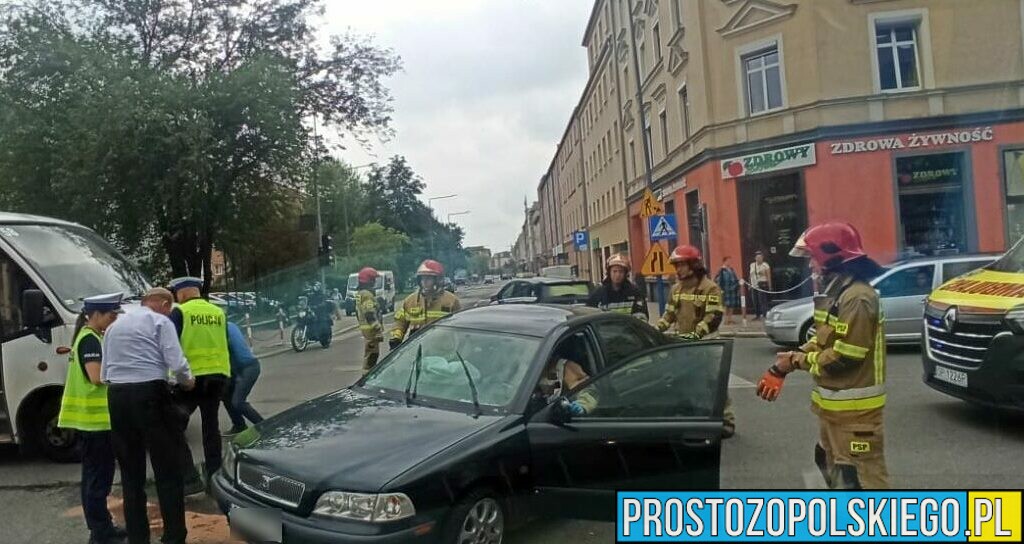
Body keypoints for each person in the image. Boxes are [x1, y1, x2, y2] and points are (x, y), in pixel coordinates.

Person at [756, 222, 889, 489]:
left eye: (813, 258)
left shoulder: (858, 298)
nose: (810, 266)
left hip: (856, 415)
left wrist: (795, 361)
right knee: (833, 468)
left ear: (831, 257)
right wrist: (788, 361)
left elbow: (845, 356)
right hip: (835, 412)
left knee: (861, 482)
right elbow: (822, 338)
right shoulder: (839, 293)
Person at [102, 288, 194, 544]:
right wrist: (188, 381)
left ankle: (138, 537)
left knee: (131, 475)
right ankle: (174, 535)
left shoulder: (113, 328)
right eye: (171, 309)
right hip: (151, 393)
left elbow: (104, 374)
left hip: (118, 397)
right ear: (164, 304)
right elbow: (176, 363)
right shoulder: (160, 321)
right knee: (168, 471)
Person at [57, 294, 127, 544]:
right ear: (95, 314)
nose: (114, 319)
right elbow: (96, 377)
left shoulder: (89, 337)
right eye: (111, 315)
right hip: (96, 422)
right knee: (98, 479)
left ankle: (100, 527)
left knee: (93, 477)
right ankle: (101, 532)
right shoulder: (90, 340)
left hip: (92, 422)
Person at [657, 244, 735, 438]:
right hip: (684, 344)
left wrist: (696, 334)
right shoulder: (676, 289)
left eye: (682, 264)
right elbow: (669, 315)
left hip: (707, 345)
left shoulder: (710, 288)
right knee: (684, 382)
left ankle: (726, 420)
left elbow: (713, 317)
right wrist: (655, 330)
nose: (678, 269)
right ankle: (692, 417)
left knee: (713, 382)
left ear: (693, 265)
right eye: (676, 265)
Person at [167, 276, 230, 491]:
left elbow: (171, 346)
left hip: (191, 380)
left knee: (173, 425)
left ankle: (189, 477)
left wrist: (176, 378)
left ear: (182, 293)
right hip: (217, 377)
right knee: (211, 427)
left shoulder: (180, 312)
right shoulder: (218, 312)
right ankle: (215, 477)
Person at [390, 260, 461, 348]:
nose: (424, 282)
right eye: (422, 278)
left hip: (444, 351)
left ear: (438, 280)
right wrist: (396, 337)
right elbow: (400, 321)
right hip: (418, 351)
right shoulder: (411, 300)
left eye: (428, 278)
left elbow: (460, 327)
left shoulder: (451, 301)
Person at [222, 321, 264, 435]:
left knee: (238, 402)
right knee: (225, 394)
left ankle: (263, 426)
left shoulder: (223, 330)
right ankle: (239, 425)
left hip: (247, 368)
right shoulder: (230, 325)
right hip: (243, 368)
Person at [587, 253, 648, 320]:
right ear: (609, 273)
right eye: (614, 271)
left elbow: (642, 317)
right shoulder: (599, 293)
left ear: (626, 274)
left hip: (628, 329)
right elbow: (589, 316)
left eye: (621, 271)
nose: (618, 275)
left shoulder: (635, 292)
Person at [355, 267, 384, 372]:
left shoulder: (360, 294)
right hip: (371, 331)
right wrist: (377, 330)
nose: (375, 282)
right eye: (374, 279)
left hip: (366, 329)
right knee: (372, 356)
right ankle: (367, 378)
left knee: (371, 355)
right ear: (369, 280)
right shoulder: (367, 294)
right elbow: (369, 313)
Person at [715, 256, 741, 325]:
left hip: (732, 290)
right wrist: (720, 289)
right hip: (725, 290)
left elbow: (735, 278)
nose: (729, 262)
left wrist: (737, 284)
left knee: (731, 305)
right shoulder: (721, 270)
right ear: (725, 261)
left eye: (730, 261)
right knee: (726, 305)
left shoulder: (731, 269)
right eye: (728, 261)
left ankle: (730, 319)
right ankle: (725, 320)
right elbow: (718, 280)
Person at [749, 250, 772, 320]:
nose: (759, 259)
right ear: (755, 258)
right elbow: (750, 275)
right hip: (754, 285)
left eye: (760, 257)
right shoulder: (752, 265)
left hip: (762, 284)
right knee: (755, 300)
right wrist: (749, 284)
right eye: (757, 257)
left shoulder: (765, 265)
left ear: (762, 258)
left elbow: (768, 276)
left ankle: (764, 314)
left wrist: (770, 286)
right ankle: (757, 315)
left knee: (762, 300)